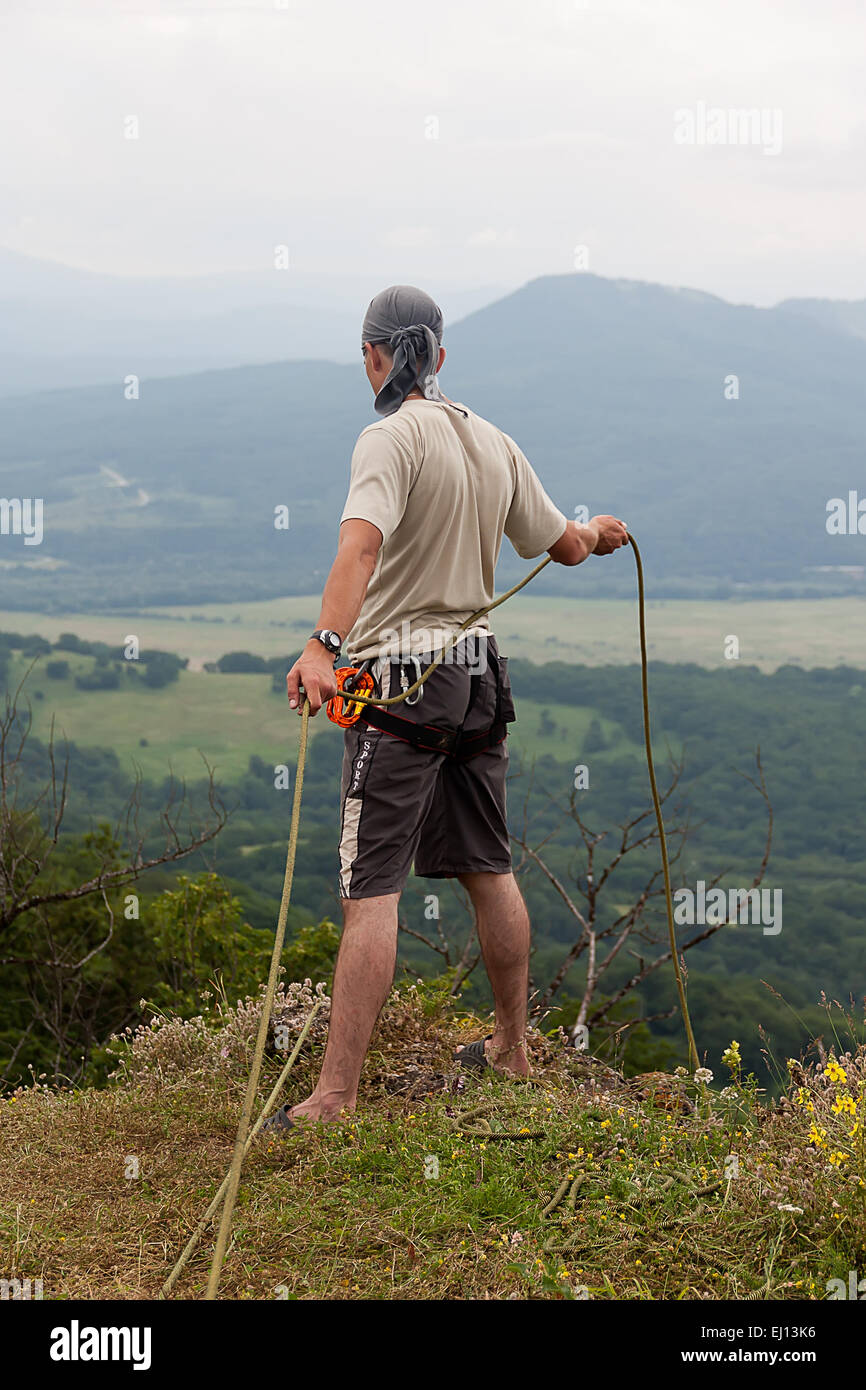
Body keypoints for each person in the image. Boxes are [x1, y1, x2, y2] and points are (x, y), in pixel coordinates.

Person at [262, 285, 628, 1133]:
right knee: (487, 868)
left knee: (371, 889)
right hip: (476, 675)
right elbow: (564, 546)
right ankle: (513, 1049)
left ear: (376, 357)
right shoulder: (491, 439)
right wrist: (598, 532)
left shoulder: (388, 438)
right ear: (442, 356)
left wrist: (322, 644)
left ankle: (335, 1098)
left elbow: (360, 545)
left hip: (401, 681)